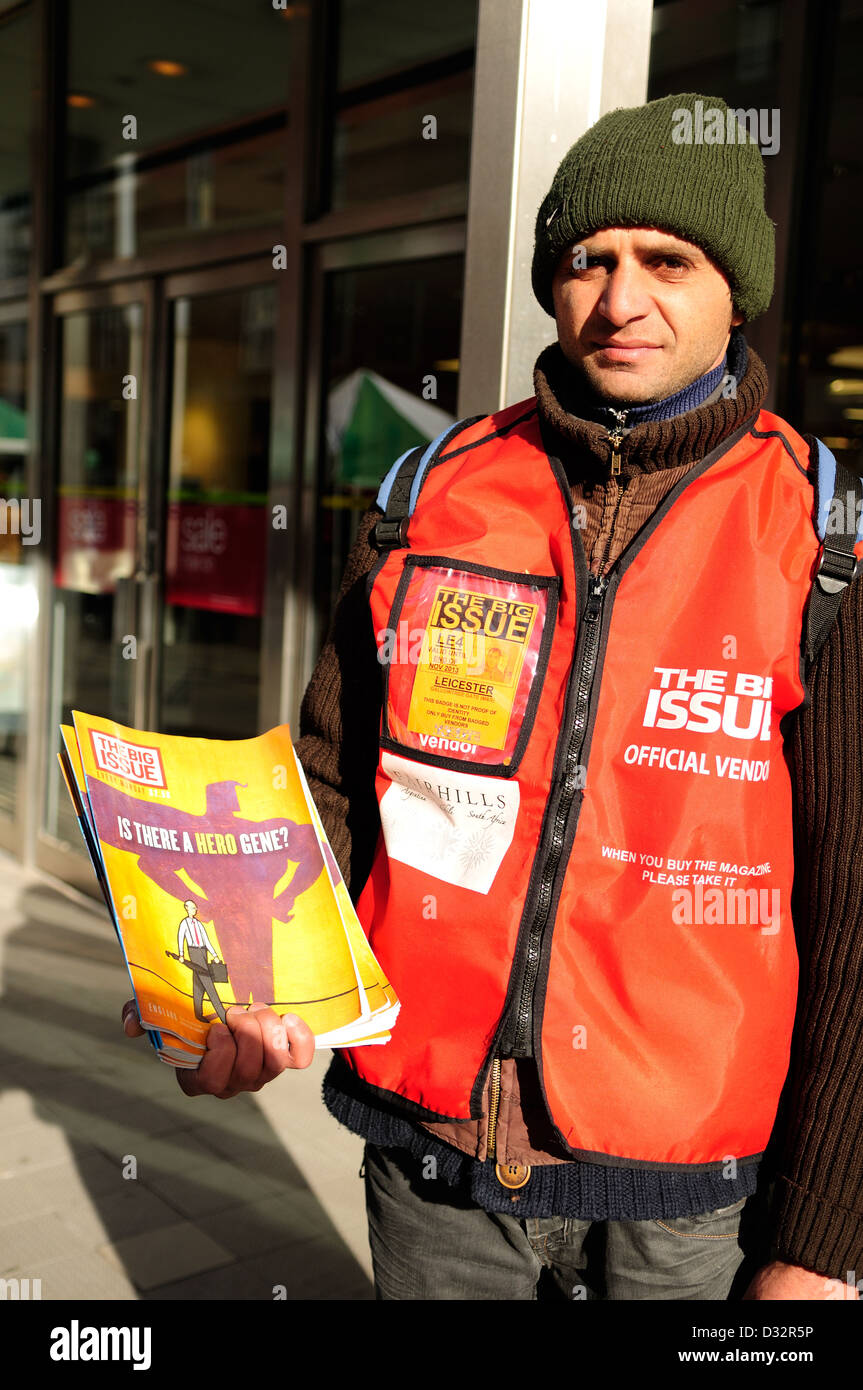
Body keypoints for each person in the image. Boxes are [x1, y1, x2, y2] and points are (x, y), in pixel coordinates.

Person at [124, 92, 863, 1301]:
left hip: (690, 1199)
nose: (621, 301)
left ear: (737, 286)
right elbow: (331, 781)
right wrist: (221, 982)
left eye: (665, 262)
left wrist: (819, 1242)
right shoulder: (431, 493)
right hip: (429, 1171)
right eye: (588, 261)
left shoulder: (820, 536)